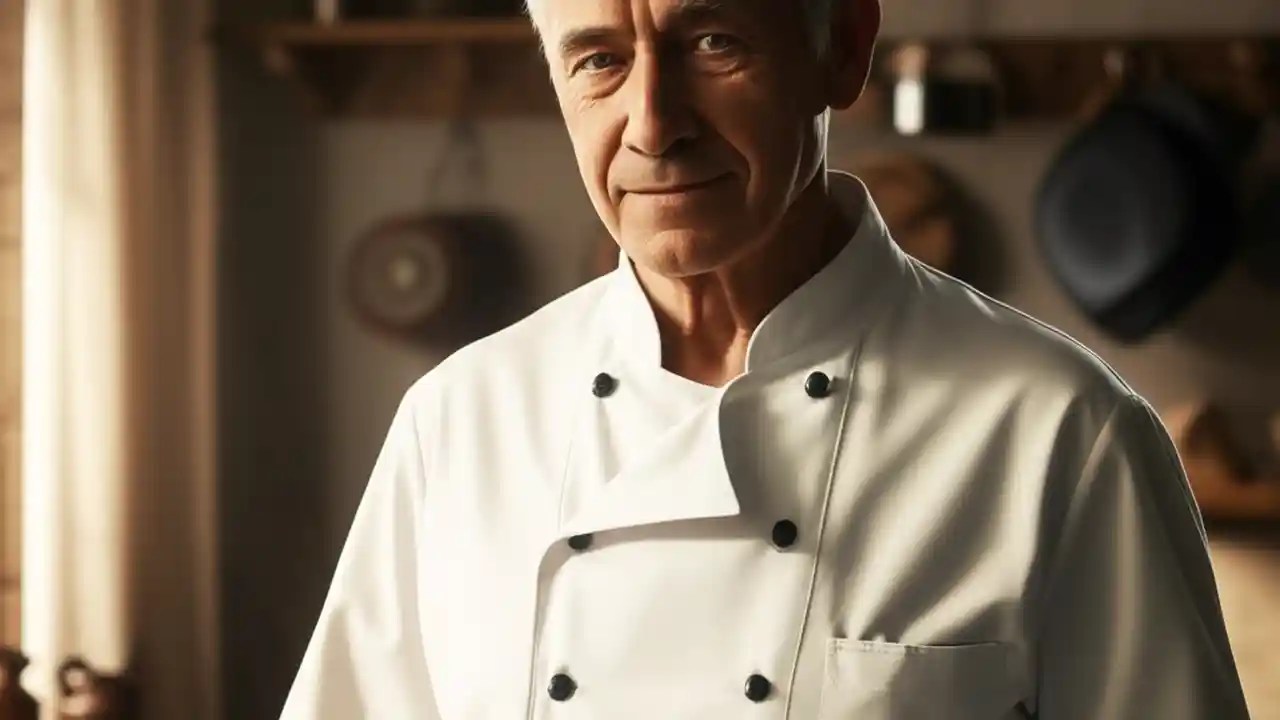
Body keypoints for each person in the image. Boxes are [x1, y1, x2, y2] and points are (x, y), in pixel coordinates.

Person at [280, 0, 1252, 717]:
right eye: (598, 61)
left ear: (845, 49)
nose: (654, 124)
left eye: (712, 43)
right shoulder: (458, 422)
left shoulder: (1059, 435)